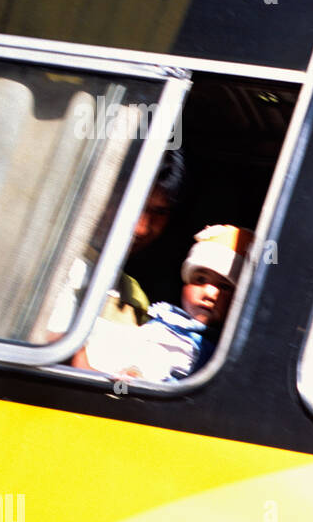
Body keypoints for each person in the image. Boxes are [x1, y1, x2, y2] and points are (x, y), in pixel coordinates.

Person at [47, 150, 186, 367]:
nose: (142, 228)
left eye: (158, 212)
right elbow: (50, 345)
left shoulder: (133, 296)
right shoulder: (52, 266)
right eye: (135, 204)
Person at [113, 224, 254, 382]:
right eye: (200, 279)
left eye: (225, 287)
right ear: (185, 285)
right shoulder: (165, 319)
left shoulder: (212, 349)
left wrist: (138, 375)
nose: (209, 294)